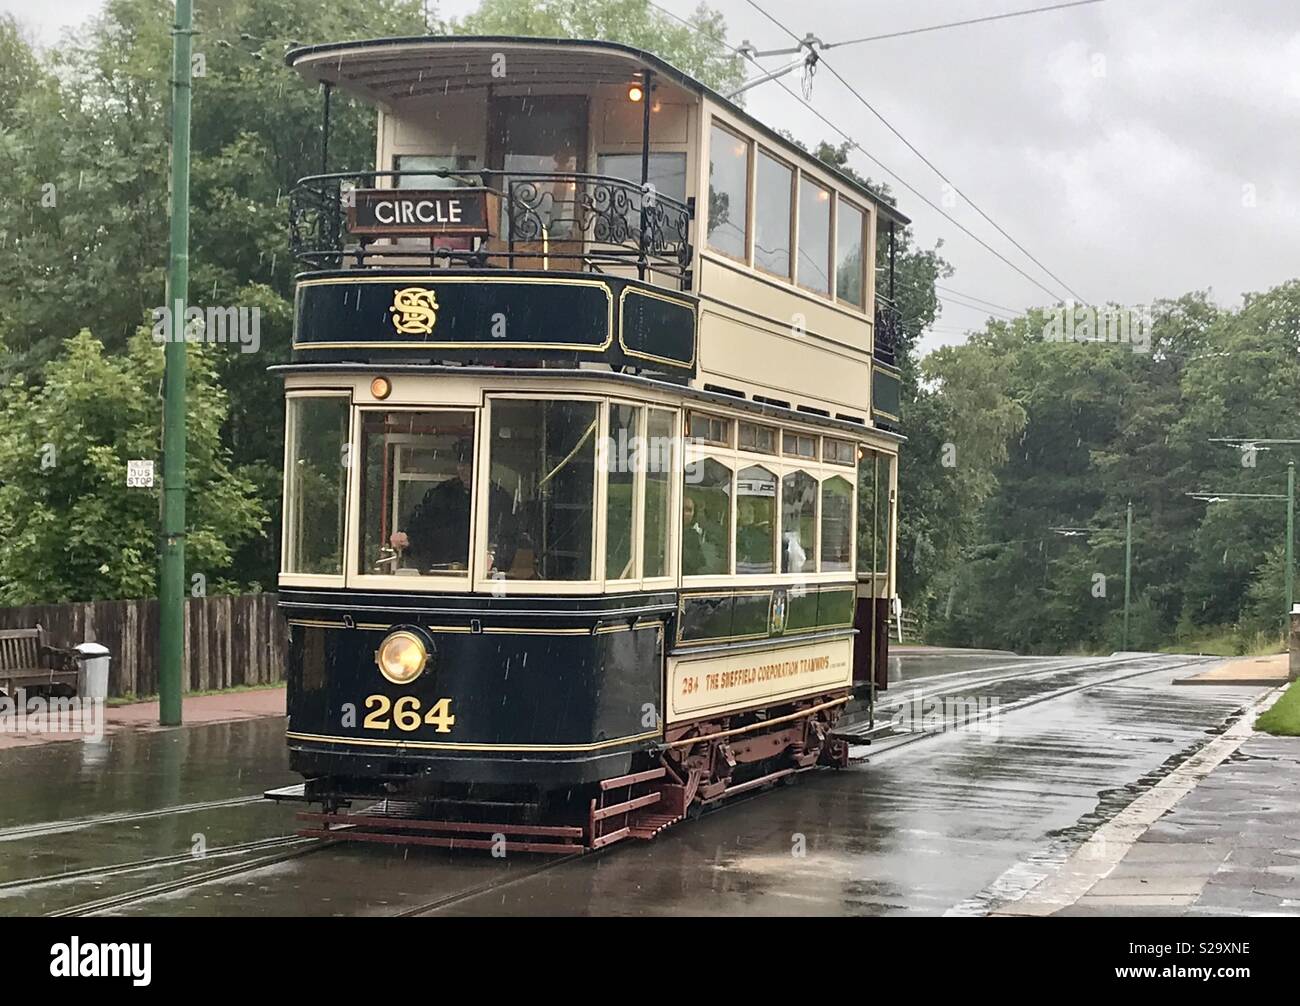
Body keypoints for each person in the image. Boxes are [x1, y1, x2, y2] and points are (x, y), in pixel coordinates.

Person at [390, 438, 517, 574]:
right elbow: (422, 524)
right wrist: (407, 537)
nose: (463, 469)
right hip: (439, 572)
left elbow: (507, 537)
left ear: (485, 466)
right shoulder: (443, 493)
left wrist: (494, 557)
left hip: (481, 577)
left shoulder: (500, 499)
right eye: (461, 463)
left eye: (469, 464)